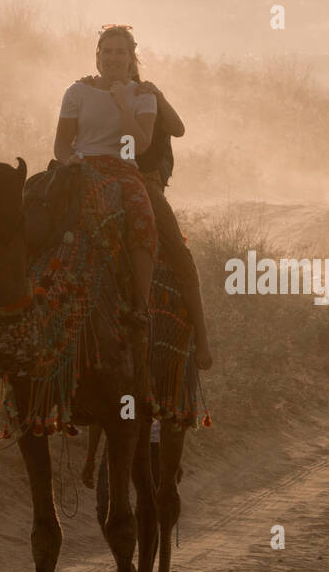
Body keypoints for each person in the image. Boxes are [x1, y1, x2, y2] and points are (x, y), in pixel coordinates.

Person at [54, 26, 212, 370]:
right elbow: (62, 144)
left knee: (153, 228)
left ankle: (157, 314)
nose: (112, 58)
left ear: (131, 58)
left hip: (126, 169)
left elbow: (138, 146)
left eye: (119, 52)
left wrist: (123, 106)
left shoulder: (143, 95)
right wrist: (72, 163)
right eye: (106, 51)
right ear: (96, 55)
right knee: (35, 211)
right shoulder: (76, 91)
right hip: (79, 169)